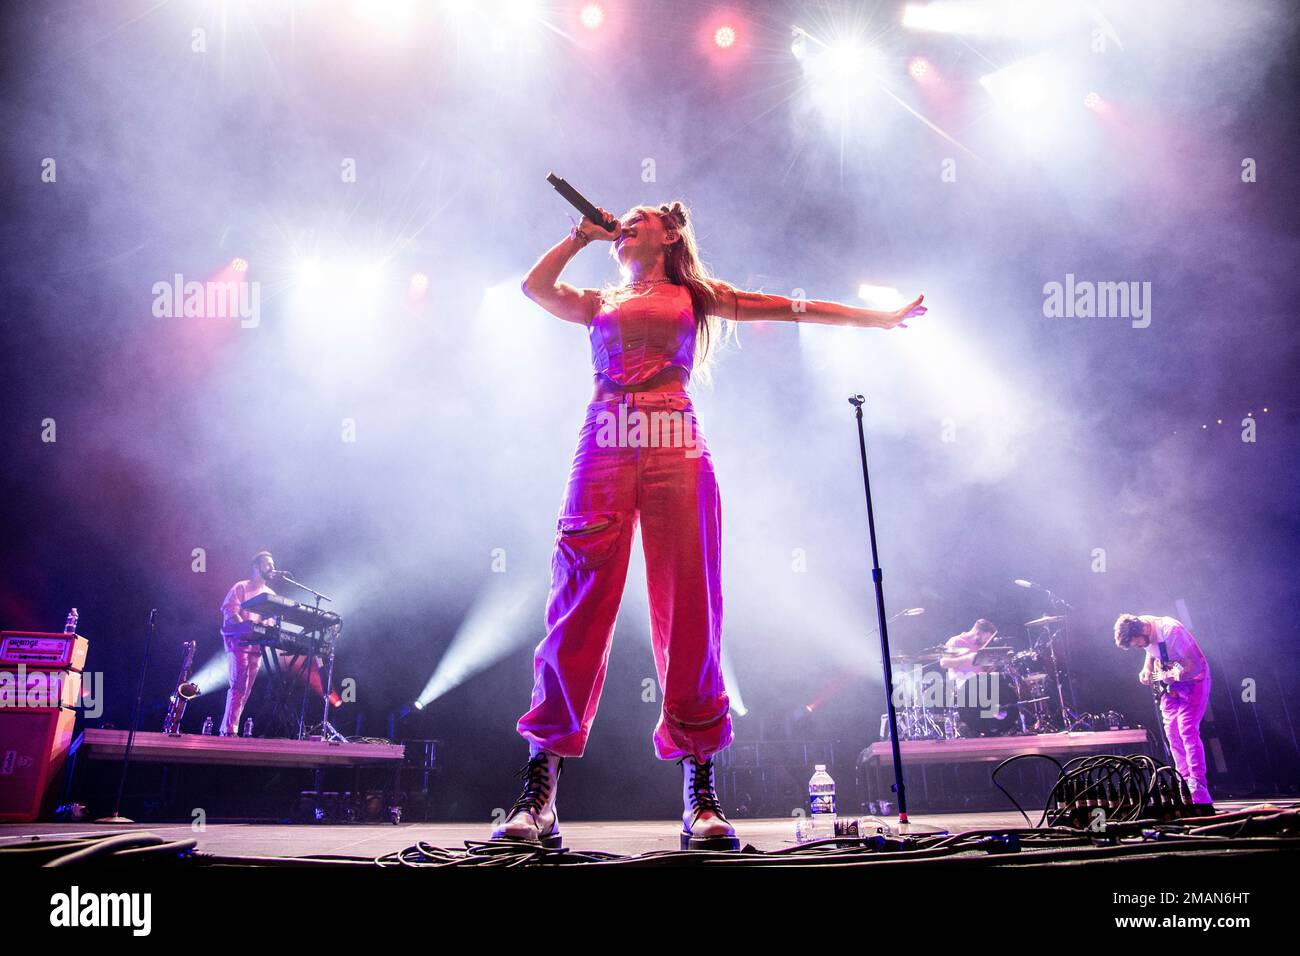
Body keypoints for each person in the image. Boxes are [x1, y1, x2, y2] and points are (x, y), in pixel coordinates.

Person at [493, 199, 925, 850]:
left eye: (641, 217)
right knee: (575, 604)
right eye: (623, 220)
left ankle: (700, 790)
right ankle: (540, 788)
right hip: (605, 442)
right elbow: (535, 289)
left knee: (691, 608)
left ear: (670, 234)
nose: (626, 223)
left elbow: (793, 307)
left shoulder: (696, 295)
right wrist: (579, 235)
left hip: (676, 444)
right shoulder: (599, 300)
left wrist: (878, 318)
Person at [1114, 613, 1213, 805]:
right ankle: (1183, 783)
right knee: (1172, 733)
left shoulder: (1172, 631)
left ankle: (1198, 787)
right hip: (1170, 687)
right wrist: (1147, 669)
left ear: (1143, 629)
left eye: (1137, 643)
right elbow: (1150, 650)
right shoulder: (1142, 624)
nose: (1139, 647)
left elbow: (1197, 666)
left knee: (1187, 730)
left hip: (1193, 683)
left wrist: (1174, 676)